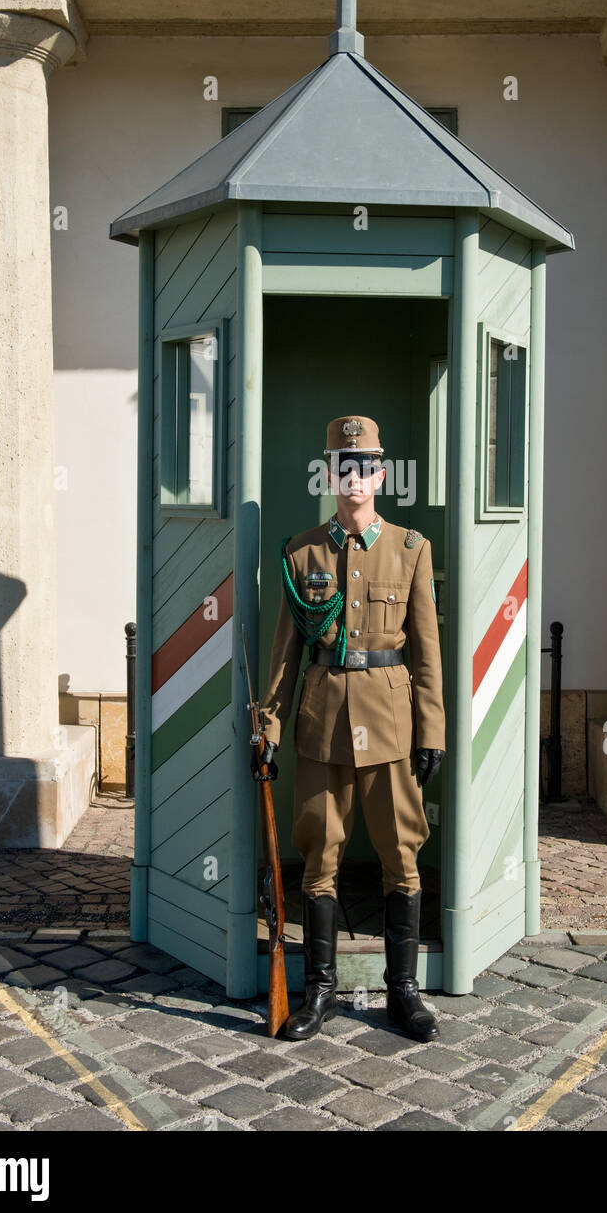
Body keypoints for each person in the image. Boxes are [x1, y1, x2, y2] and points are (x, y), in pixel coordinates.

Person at [256, 414, 446, 1042]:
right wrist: (270, 727)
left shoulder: (411, 549)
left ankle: (404, 992)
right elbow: (285, 652)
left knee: (402, 856)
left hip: (391, 725)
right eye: (343, 464)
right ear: (329, 472)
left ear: (381, 473)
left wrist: (431, 731)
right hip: (322, 722)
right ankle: (320, 992)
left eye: (365, 465)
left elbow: (425, 651)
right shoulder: (302, 551)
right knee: (320, 855)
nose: (355, 475)